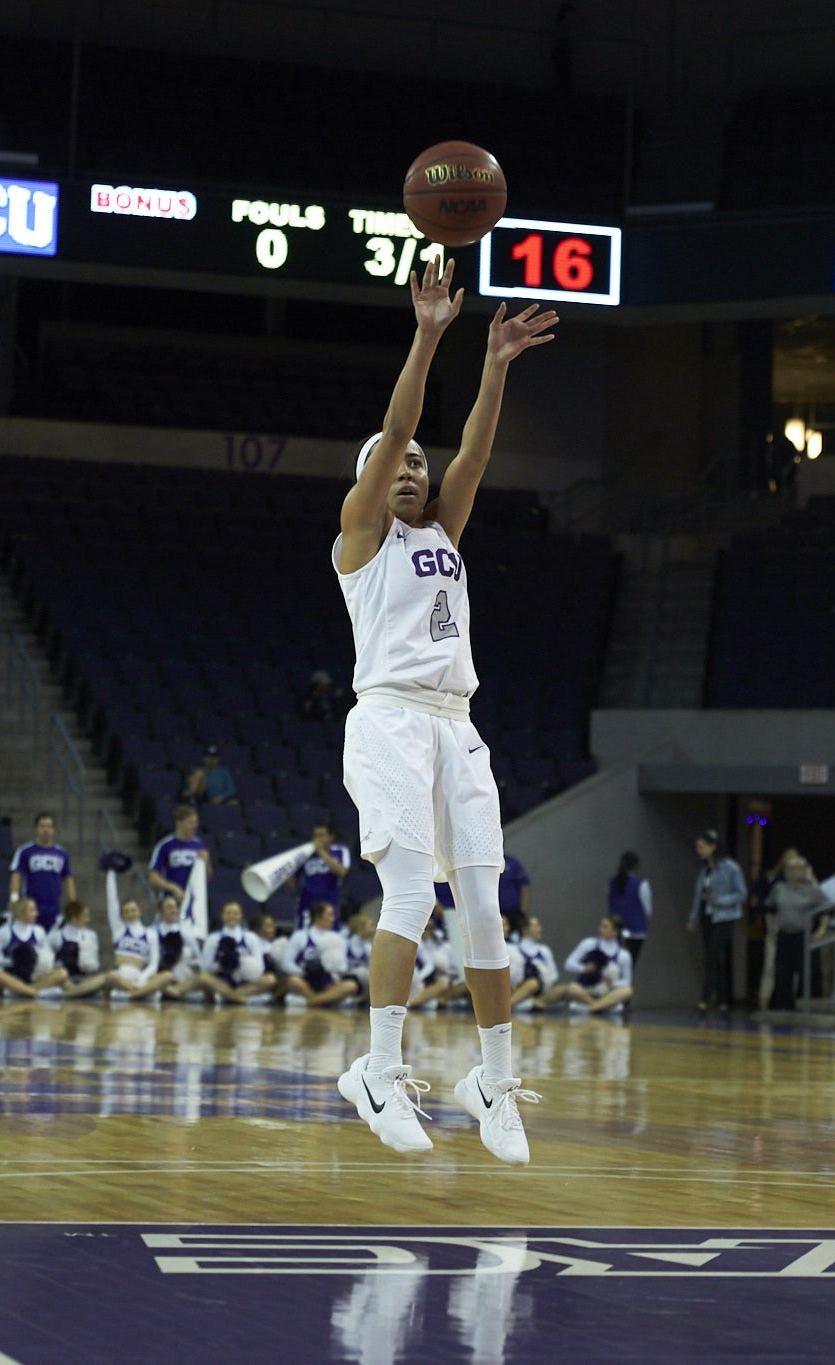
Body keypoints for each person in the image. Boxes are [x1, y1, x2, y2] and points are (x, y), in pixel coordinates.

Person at [328, 256, 557, 1166]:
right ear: (375, 479)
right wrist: (429, 337)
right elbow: (401, 425)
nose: (416, 468)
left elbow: (474, 453)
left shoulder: (444, 532)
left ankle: (490, 1081)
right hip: (386, 715)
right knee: (412, 893)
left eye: (421, 464)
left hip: (456, 723)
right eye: (401, 463)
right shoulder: (358, 538)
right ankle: (378, 1069)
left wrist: (495, 365)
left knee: (485, 908)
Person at [688, 828, 746, 1016]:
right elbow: (699, 895)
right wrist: (694, 918)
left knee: (712, 957)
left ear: (713, 847)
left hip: (725, 917)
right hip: (708, 916)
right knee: (716, 961)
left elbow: (742, 893)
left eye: (702, 846)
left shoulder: (731, 867)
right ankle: (722, 1001)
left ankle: (705, 1000)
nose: (699, 850)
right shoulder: (704, 870)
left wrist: (720, 900)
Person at [764, 852, 828, 1009]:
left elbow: (827, 910)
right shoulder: (779, 888)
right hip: (785, 935)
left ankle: (808, 1006)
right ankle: (782, 1005)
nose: (795, 872)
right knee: (782, 972)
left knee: (808, 973)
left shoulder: (813, 891)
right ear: (785, 871)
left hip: (805, 936)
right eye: (791, 868)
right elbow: (770, 909)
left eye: (799, 868)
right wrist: (772, 929)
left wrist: (821, 930)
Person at [187, 900, 278, 1005]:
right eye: (228, 913)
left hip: (245, 982)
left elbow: (260, 967)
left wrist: (241, 965)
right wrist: (223, 965)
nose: (232, 917)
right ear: (222, 916)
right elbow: (205, 967)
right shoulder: (213, 938)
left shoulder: (251, 937)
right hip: (221, 980)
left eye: (235, 913)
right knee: (203, 978)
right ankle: (237, 998)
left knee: (270, 979)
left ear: (241, 916)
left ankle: (229, 996)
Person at [543, 914, 634, 1015]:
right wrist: (584, 968)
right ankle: (597, 1006)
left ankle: (594, 1007)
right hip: (585, 991)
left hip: (607, 992)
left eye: (605, 926)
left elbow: (627, 980)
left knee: (627, 991)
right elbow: (568, 963)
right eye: (601, 925)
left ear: (615, 932)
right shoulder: (589, 944)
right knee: (572, 987)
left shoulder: (623, 955)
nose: (601, 929)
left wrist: (612, 983)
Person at [281, 901, 360, 1009]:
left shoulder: (337, 938)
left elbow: (343, 966)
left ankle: (310, 1002)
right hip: (305, 981)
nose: (333, 918)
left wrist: (332, 973)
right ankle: (326, 1001)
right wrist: (302, 972)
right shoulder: (300, 936)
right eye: (330, 914)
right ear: (318, 916)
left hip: (327, 982)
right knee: (293, 981)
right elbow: (286, 962)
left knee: (351, 986)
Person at [0, 898, 66, 1001]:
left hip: (35, 977)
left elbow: (49, 956)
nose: (36, 914)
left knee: (62, 973)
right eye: (32, 910)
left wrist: (38, 963)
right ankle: (36, 993)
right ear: (20, 912)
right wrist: (15, 962)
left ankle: (21, 992)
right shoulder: (4, 932)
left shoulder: (39, 931)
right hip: (12, 976)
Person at [9, 813, 76, 930]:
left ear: (54, 830)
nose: (46, 830)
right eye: (42, 826)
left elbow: (68, 878)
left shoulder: (62, 853)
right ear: (36, 829)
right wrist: (14, 898)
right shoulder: (25, 851)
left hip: (53, 907)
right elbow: (16, 874)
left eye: (49, 826)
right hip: (30, 905)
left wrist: (73, 903)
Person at [105, 899, 175, 1002]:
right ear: (122, 914)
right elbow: (112, 902)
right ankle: (141, 993)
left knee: (167, 976)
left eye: (133, 910)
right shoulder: (119, 930)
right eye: (126, 911)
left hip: (140, 975)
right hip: (121, 976)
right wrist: (110, 881)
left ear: (139, 911)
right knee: (111, 976)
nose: (130, 914)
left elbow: (153, 964)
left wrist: (141, 978)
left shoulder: (150, 934)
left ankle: (131, 995)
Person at [147, 804, 210, 910]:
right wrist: (173, 888)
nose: (194, 826)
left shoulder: (199, 845)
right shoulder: (165, 845)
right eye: (190, 822)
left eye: (195, 822)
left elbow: (207, 877)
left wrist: (206, 863)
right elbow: (153, 877)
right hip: (170, 900)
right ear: (179, 823)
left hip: (194, 900)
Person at [51, 899, 117, 999]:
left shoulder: (91, 935)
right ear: (73, 918)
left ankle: (71, 993)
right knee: (60, 976)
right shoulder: (56, 936)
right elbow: (49, 964)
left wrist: (89, 965)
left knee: (108, 977)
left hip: (84, 979)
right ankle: (81, 992)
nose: (88, 920)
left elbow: (93, 965)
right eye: (85, 916)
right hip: (65, 980)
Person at [293, 823, 353, 929]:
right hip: (307, 902)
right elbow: (292, 886)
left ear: (331, 837)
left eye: (321, 835)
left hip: (330, 901)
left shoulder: (340, 850)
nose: (317, 839)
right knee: (305, 934)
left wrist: (321, 852)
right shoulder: (306, 853)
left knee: (332, 936)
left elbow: (342, 872)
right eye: (315, 836)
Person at [606, 852, 652, 962]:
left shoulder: (613, 882)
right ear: (636, 866)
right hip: (636, 928)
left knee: (614, 960)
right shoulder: (642, 884)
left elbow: (610, 903)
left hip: (616, 927)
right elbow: (648, 909)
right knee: (630, 962)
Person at [507, 914, 558, 1011]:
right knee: (531, 984)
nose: (540, 929)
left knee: (534, 984)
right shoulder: (514, 949)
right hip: (518, 988)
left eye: (539, 925)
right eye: (535, 926)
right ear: (525, 930)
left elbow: (553, 975)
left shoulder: (544, 950)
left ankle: (523, 1003)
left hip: (542, 991)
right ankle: (513, 1005)